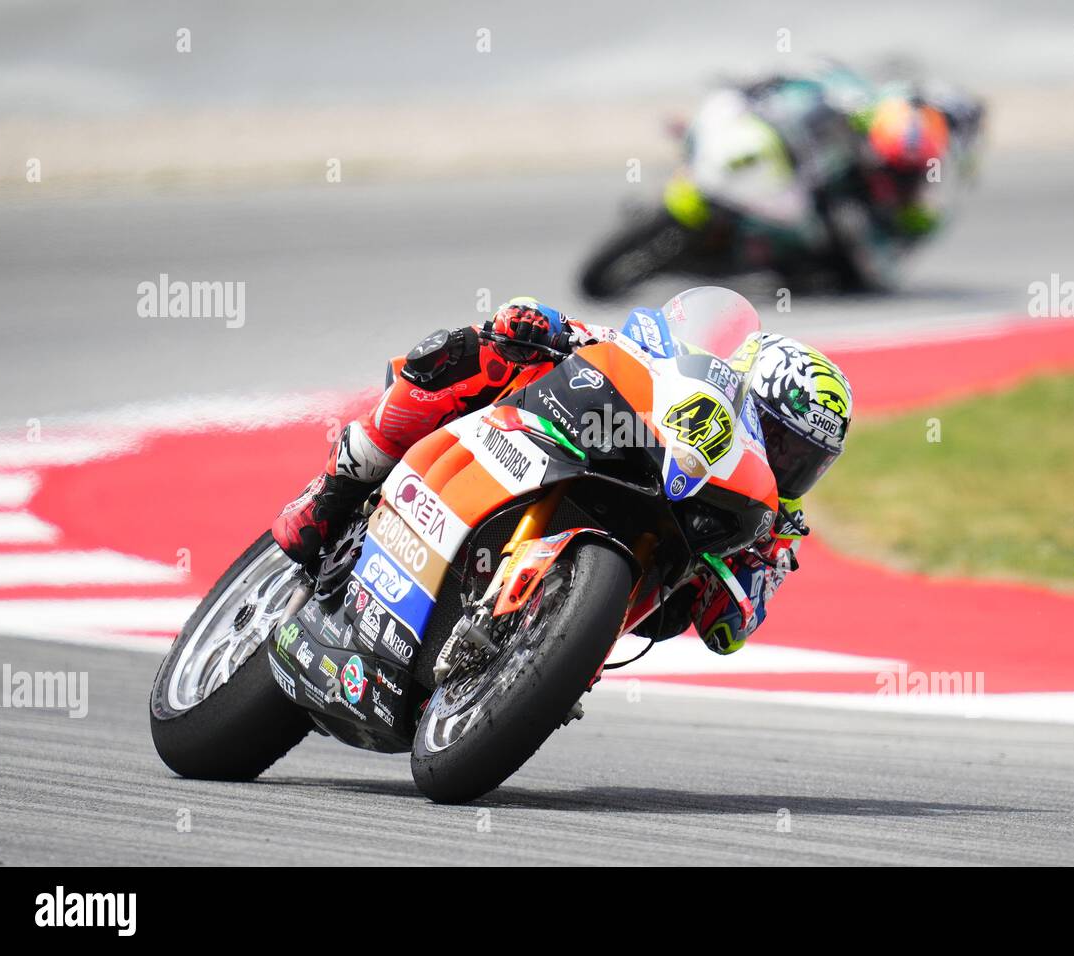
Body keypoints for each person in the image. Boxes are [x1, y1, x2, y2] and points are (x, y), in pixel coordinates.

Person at [272, 294, 852, 655]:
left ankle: (528, 658)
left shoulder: (772, 528)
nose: (786, 462)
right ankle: (333, 491)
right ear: (742, 387)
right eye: (778, 438)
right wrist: (547, 326)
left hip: (640, 558)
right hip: (597, 441)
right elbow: (621, 345)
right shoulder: (686, 383)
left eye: (805, 459)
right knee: (470, 352)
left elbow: (728, 633)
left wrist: (737, 576)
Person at [682, 62, 983, 289]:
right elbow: (822, 78)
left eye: (904, 174)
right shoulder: (871, 111)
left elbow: (883, 268)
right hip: (794, 168)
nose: (898, 179)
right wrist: (775, 87)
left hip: (821, 238)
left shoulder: (928, 195)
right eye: (892, 170)